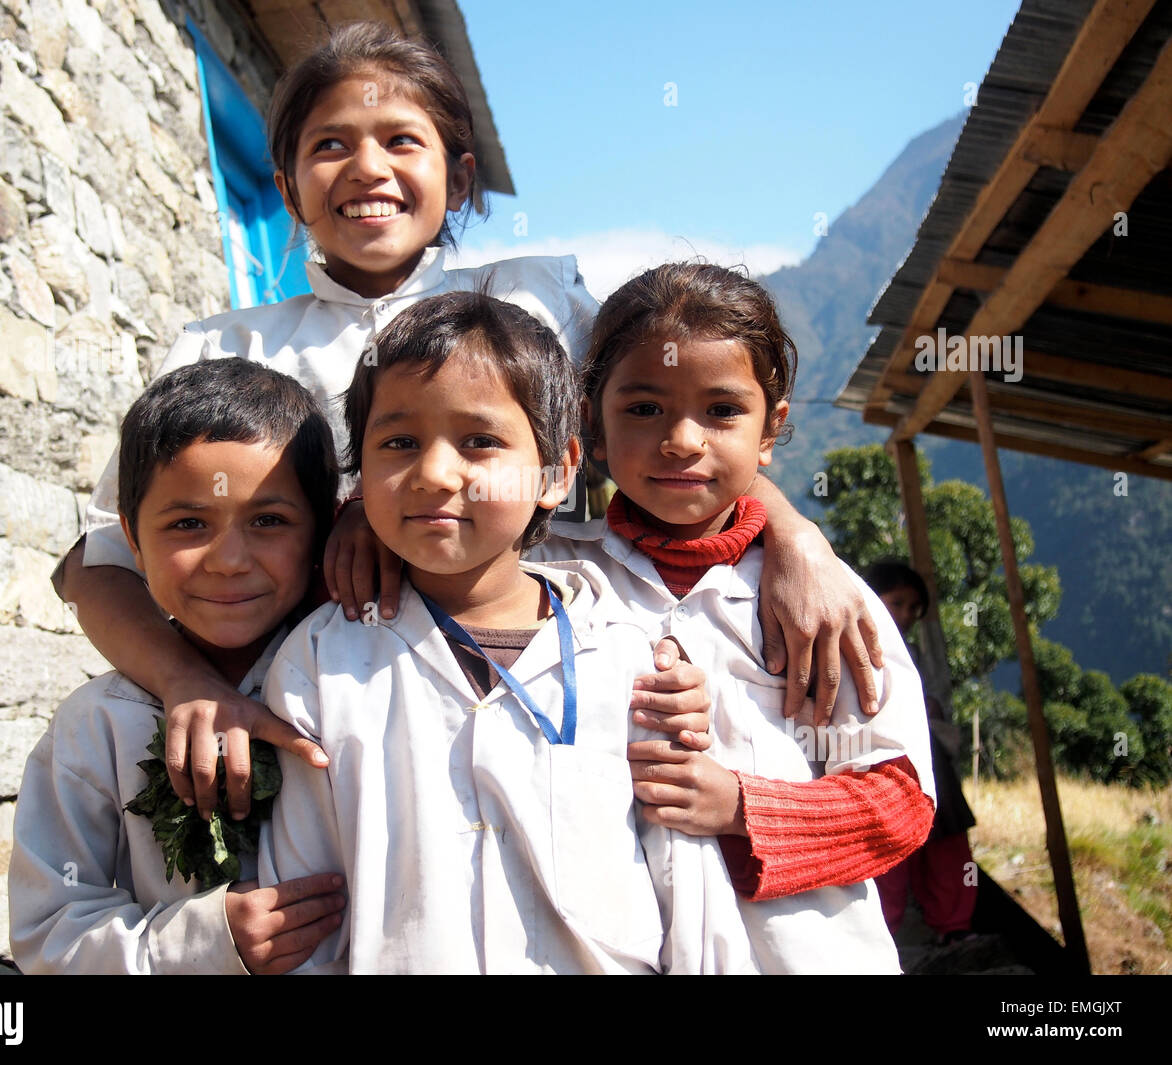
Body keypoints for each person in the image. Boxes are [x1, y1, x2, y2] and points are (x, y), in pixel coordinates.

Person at [55, 20, 885, 826]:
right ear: (285, 185)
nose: (366, 167)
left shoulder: (536, 302)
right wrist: (189, 685)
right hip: (337, 713)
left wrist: (795, 538)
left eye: (400, 140)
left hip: (563, 692)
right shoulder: (228, 346)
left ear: (458, 177)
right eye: (330, 144)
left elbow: (671, 434)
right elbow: (99, 562)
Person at [257, 290, 737, 972]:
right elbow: (305, 906)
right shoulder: (319, 664)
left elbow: (685, 888)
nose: (432, 473)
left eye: (478, 440)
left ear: (557, 471)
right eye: (398, 442)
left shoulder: (629, 657)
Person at [528, 263, 937, 972]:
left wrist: (739, 805)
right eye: (644, 408)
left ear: (772, 429)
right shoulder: (544, 573)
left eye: (722, 410)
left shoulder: (826, 601)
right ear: (591, 424)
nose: (683, 440)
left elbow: (899, 801)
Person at [9, 360, 346, 974]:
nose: (229, 560)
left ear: (323, 530)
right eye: (188, 524)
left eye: (268, 521)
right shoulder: (98, 726)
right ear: (131, 542)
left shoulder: (361, 688)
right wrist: (198, 945)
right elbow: (47, 934)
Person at [865, 560, 978, 944]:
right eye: (897, 603)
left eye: (913, 608)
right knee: (888, 850)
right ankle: (883, 934)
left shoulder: (912, 651)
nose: (907, 615)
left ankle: (954, 924)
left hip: (928, 762)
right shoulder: (853, 640)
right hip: (875, 762)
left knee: (945, 844)